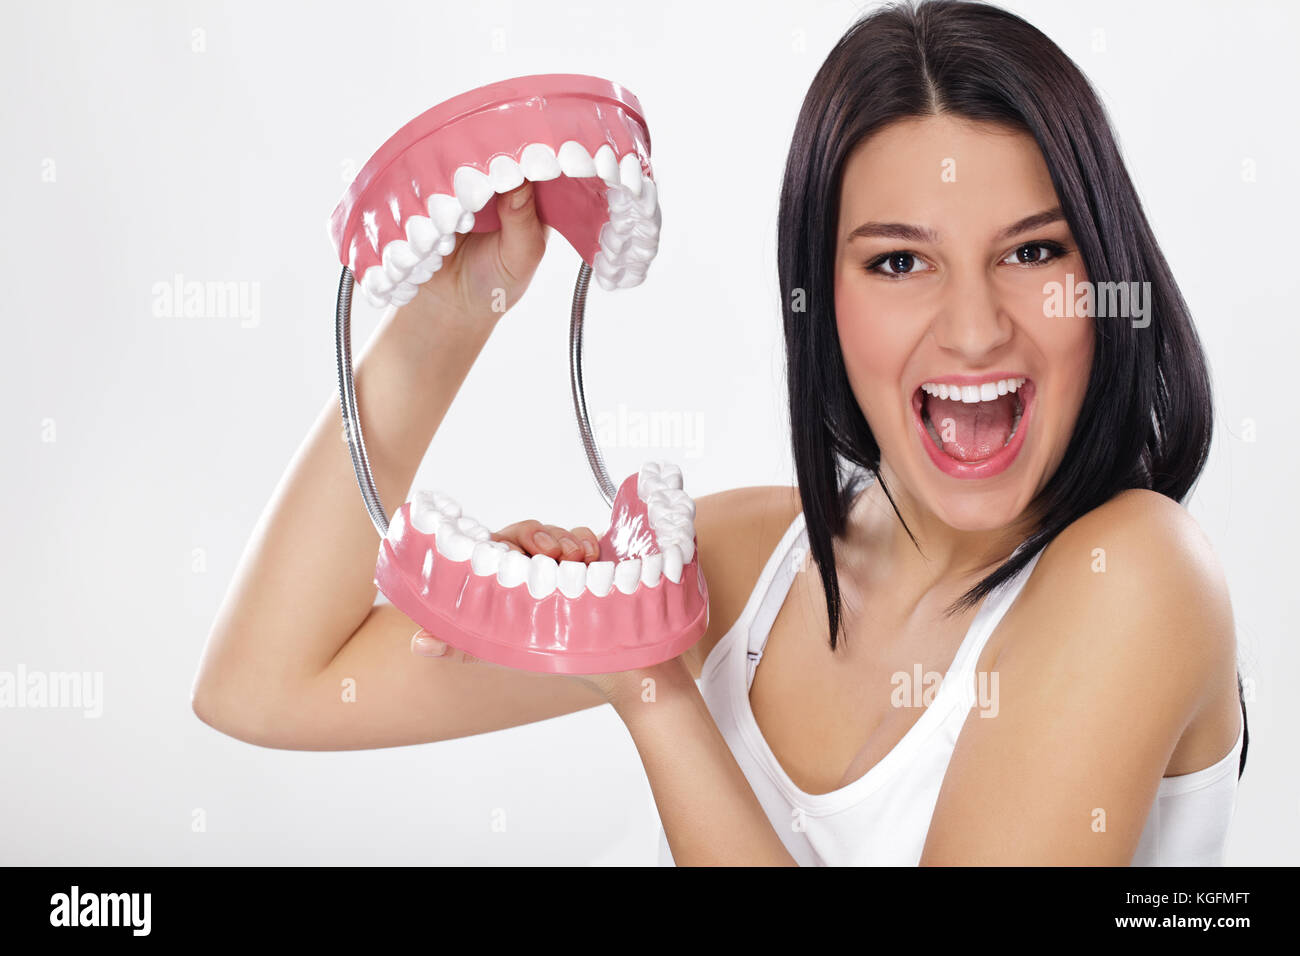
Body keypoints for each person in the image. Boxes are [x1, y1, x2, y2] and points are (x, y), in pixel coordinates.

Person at [192, 0, 1247, 865]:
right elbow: (268, 682)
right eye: (896, 261)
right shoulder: (750, 559)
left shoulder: (1136, 572)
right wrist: (453, 313)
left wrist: (650, 686)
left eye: (1031, 253)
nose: (974, 330)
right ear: (817, 298)